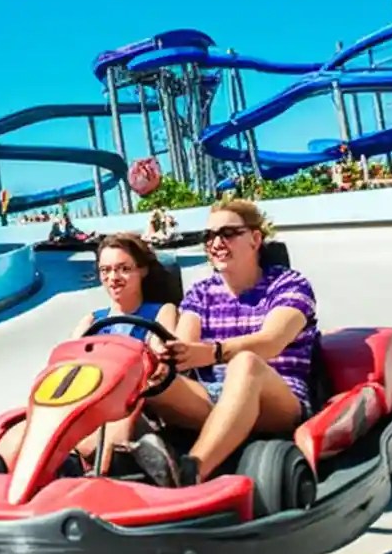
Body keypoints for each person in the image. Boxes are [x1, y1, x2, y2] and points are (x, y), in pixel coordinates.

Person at [130, 198, 319, 488]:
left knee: (244, 364)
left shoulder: (289, 284)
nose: (216, 243)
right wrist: (162, 355)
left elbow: (271, 342)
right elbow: (184, 342)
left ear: (255, 238)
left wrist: (212, 353)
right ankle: (102, 462)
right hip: (212, 399)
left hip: (276, 398)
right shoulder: (201, 292)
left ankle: (190, 471)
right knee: (139, 371)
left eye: (227, 234)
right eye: (209, 236)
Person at [0, 232, 179, 475]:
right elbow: (65, 364)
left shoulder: (160, 312)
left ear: (142, 271)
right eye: (105, 270)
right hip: (86, 402)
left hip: (132, 404)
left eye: (123, 269)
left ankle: (97, 464)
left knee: (113, 417)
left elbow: (164, 353)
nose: (113, 278)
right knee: (34, 422)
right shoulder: (92, 320)